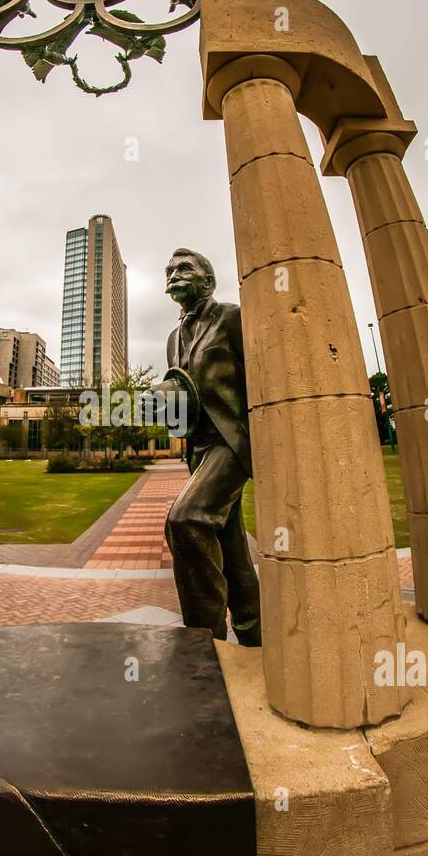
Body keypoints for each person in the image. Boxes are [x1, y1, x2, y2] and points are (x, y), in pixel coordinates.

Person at [161, 248, 261, 646]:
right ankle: (255, 631)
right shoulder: (171, 338)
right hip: (198, 448)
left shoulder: (233, 317)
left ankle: (204, 641)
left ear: (208, 280)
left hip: (233, 442)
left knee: (187, 520)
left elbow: (259, 375)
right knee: (229, 541)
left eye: (184, 267)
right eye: (169, 270)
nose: (173, 274)